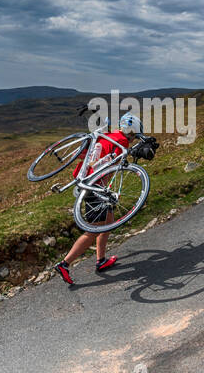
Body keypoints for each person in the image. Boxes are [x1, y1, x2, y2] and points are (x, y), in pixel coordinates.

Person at [56, 113, 150, 285]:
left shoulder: (109, 135)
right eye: (133, 136)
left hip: (91, 183)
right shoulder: (121, 141)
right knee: (93, 231)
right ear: (130, 132)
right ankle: (65, 264)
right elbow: (111, 164)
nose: (132, 140)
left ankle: (101, 260)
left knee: (108, 221)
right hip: (95, 187)